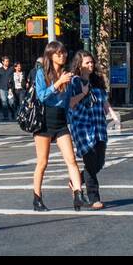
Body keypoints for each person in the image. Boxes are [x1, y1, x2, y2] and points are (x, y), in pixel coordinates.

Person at [30, 40, 85, 212]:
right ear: (50, 55)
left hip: (61, 121)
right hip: (45, 121)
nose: (62, 56)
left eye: (64, 53)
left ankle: (78, 193)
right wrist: (58, 83)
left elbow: (67, 101)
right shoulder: (42, 73)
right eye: (58, 53)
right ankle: (37, 199)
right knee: (42, 162)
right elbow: (41, 96)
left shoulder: (67, 74)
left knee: (71, 160)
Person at [67, 50, 111, 209]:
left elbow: (104, 100)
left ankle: (76, 181)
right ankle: (94, 198)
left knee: (98, 163)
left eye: (92, 62)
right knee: (91, 163)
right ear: (79, 65)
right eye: (87, 63)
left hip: (99, 126)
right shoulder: (73, 82)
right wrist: (83, 93)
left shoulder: (97, 80)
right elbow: (70, 103)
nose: (90, 65)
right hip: (83, 128)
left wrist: (111, 113)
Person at [0, 54, 13, 121]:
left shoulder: (11, 69)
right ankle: (5, 116)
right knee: (4, 102)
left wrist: (11, 88)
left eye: (8, 61)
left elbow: (13, 79)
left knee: (11, 102)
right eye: (6, 61)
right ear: (3, 62)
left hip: (10, 89)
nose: (7, 63)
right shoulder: (0, 70)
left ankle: (13, 113)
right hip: (2, 88)